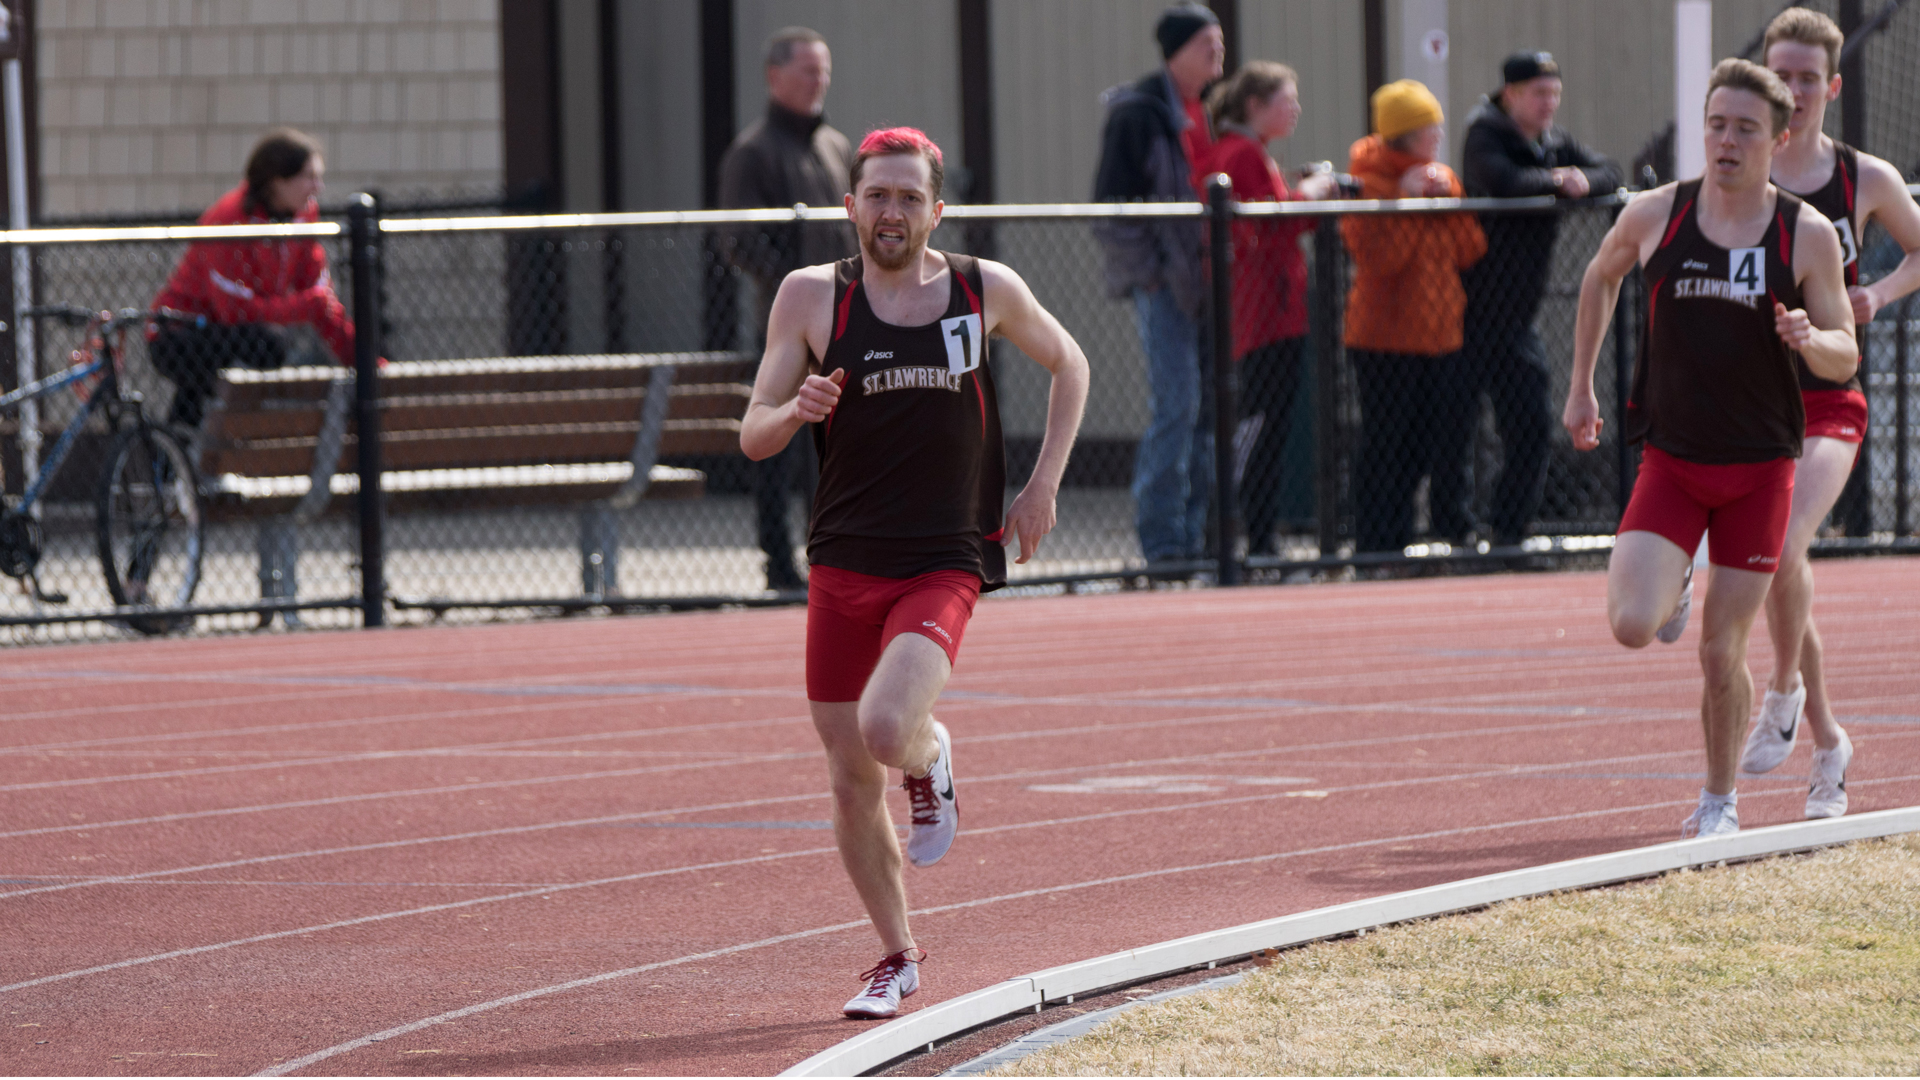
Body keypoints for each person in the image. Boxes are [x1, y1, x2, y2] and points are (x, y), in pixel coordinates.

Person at [740, 128, 1089, 1018]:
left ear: (938, 209)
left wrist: (1042, 483)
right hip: (841, 561)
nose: (890, 212)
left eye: (908, 197)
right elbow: (753, 432)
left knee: (890, 727)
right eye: (876, 196)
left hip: (944, 556)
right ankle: (897, 958)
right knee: (850, 776)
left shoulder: (982, 289)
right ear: (849, 205)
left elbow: (1070, 364)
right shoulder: (811, 297)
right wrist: (794, 405)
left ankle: (932, 754)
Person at [1563, 59, 1854, 838]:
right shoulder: (1659, 214)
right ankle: (1676, 570)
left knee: (1721, 649)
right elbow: (1599, 278)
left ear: (1779, 136)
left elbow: (1845, 353)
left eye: (1746, 129)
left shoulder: (1807, 232)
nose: (1726, 142)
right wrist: (1582, 386)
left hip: (1760, 471)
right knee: (1631, 622)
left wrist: (1809, 336)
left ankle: (1718, 803)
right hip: (1675, 460)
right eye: (1716, 125)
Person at [1740, 8, 1920, 816]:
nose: (1797, 89)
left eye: (1811, 77)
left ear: (1832, 86)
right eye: (1784, 75)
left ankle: (1779, 688)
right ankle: (1828, 741)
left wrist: (1877, 292)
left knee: (1784, 549)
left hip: (1829, 399)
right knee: (1784, 570)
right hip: (1750, 400)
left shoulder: (1864, 178)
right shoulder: (1738, 169)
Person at [1456, 52, 1621, 547]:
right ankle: (1454, 533)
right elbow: (1504, 182)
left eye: (1554, 93)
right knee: (1454, 430)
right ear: (1511, 95)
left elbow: (1608, 170)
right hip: (1466, 311)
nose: (1548, 103)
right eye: (1538, 93)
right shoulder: (1486, 132)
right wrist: (1557, 181)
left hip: (1516, 316)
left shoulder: (1553, 139)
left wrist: (1583, 180)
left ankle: (1510, 532)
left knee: (1531, 426)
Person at [718, 27, 858, 593]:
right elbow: (738, 240)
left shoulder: (836, 146)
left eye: (823, 69)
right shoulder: (752, 152)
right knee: (778, 444)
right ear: (775, 77)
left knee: (836, 444)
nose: (818, 80)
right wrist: (797, 292)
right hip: (787, 328)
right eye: (807, 70)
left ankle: (832, 548)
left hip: (846, 322)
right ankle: (778, 562)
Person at [1092, 2, 1225, 566]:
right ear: (1176, 51)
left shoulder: (1205, 109)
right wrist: (1151, 275)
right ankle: (1163, 542)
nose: (1218, 52)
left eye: (1219, 42)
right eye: (1205, 44)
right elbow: (1110, 210)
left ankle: (1194, 539)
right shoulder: (1140, 113)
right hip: (1167, 285)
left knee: (1207, 411)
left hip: (1207, 284)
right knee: (1177, 406)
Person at [1342, 80, 1486, 554]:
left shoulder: (1439, 175)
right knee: (1386, 444)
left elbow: (1470, 249)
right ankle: (1378, 543)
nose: (1439, 136)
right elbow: (1384, 260)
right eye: (1430, 128)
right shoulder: (1369, 182)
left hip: (1441, 334)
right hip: (1383, 337)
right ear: (1405, 135)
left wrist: (1447, 204)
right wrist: (1403, 202)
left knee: (1428, 443)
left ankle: (1415, 537)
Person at [1205, 61, 1335, 556]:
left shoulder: (1243, 151)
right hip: (1266, 318)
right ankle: (1254, 539)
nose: (1296, 109)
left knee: (1260, 428)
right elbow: (1267, 230)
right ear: (1255, 106)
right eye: (1287, 100)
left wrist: (1293, 190)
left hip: (1266, 313)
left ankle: (1253, 537)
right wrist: (1308, 195)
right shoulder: (1242, 152)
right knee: (1261, 429)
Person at [150, 128, 355, 431]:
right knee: (263, 346)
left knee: (253, 351)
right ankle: (187, 466)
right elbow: (235, 312)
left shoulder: (303, 216)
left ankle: (177, 469)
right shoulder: (229, 219)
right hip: (177, 333)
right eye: (309, 177)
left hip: (229, 334)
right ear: (277, 181)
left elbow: (321, 302)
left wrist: (361, 359)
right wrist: (305, 305)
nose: (318, 188)